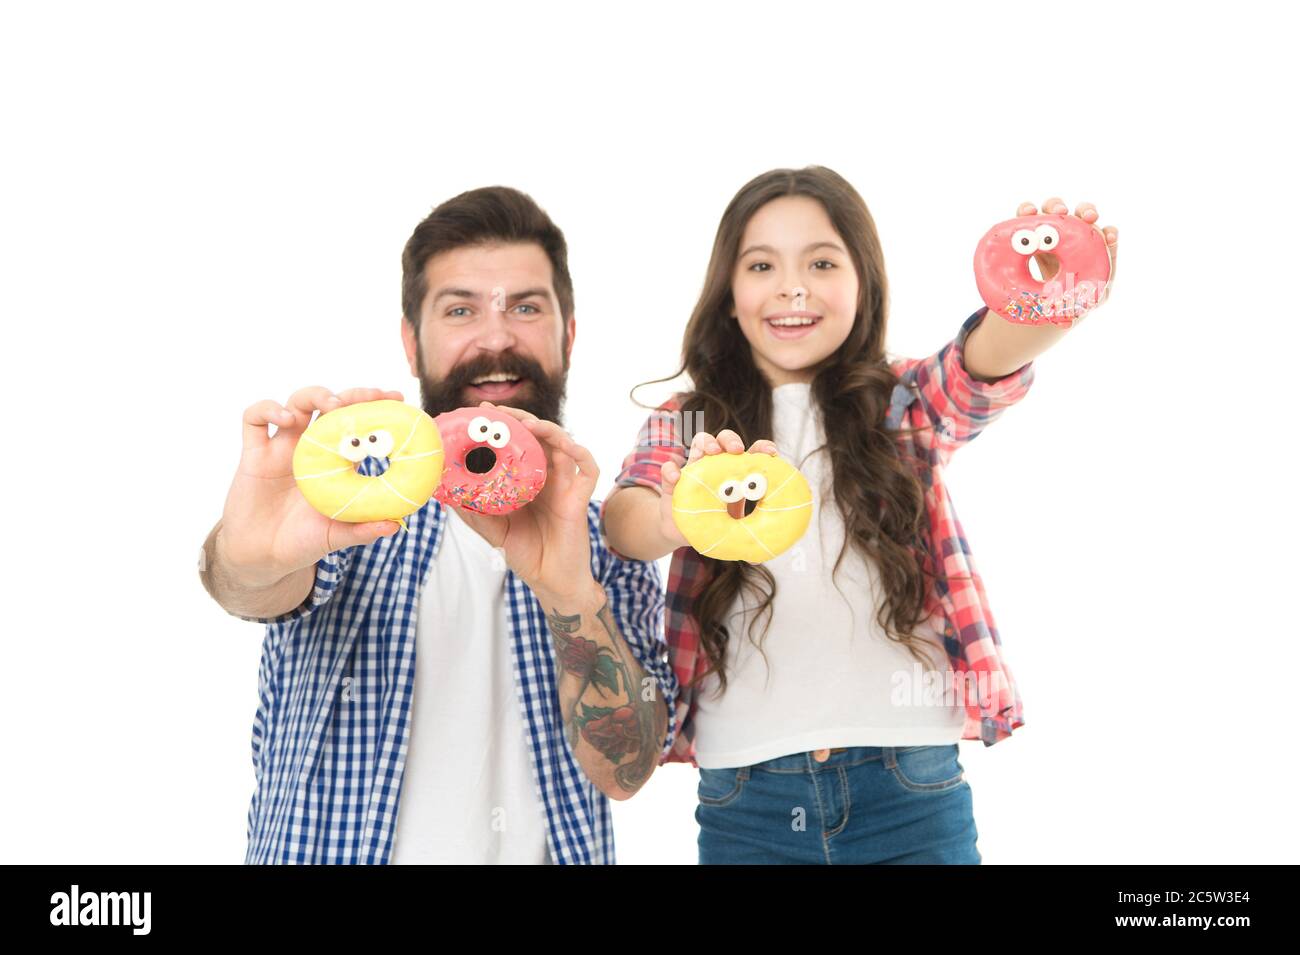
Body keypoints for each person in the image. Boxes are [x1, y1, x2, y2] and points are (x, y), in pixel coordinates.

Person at [599, 167, 1118, 863]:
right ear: (728, 293)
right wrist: (673, 518)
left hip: (910, 786)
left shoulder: (900, 401)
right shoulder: (691, 418)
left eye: (821, 261)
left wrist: (1039, 295)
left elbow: (981, 368)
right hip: (747, 795)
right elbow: (624, 521)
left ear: (863, 281)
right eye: (762, 265)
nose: (792, 286)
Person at [199, 186, 677, 864]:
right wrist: (249, 555)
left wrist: (572, 594)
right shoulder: (349, 507)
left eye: (526, 306)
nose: (497, 337)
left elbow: (627, 769)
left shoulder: (613, 537)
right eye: (460, 309)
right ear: (411, 341)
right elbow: (253, 585)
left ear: (569, 334)